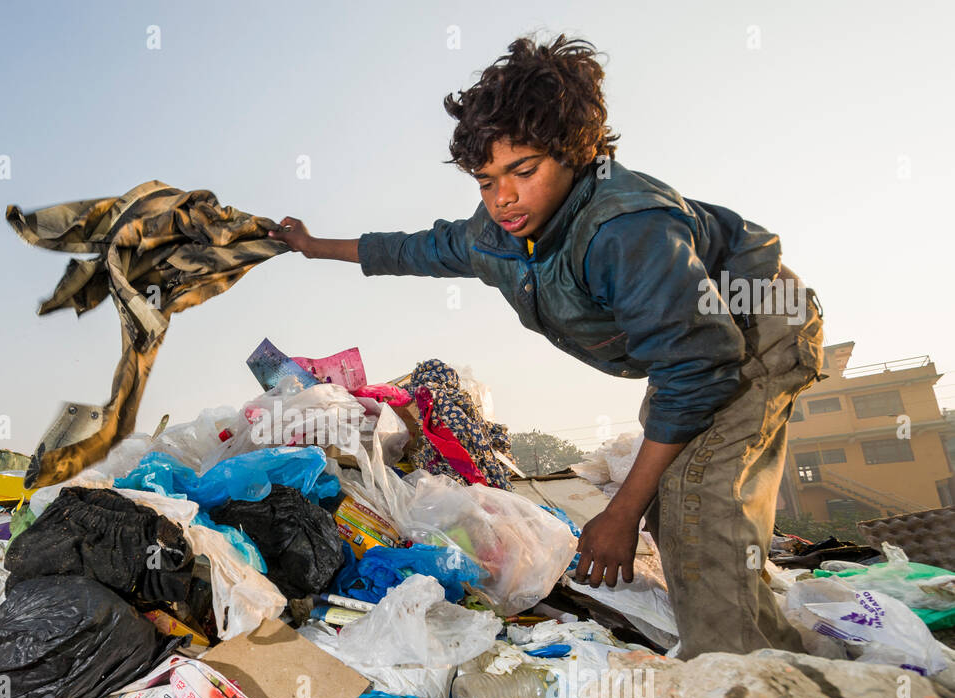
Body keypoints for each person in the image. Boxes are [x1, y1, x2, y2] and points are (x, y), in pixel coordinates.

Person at [269, 33, 825, 659]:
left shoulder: (625, 225)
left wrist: (618, 515)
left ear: (576, 155)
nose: (501, 197)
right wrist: (316, 247)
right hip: (690, 351)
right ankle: (787, 662)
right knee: (680, 509)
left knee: (698, 508)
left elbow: (696, 373)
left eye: (523, 171)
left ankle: (749, 688)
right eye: (485, 180)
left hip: (753, 331)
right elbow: (412, 248)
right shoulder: (500, 235)